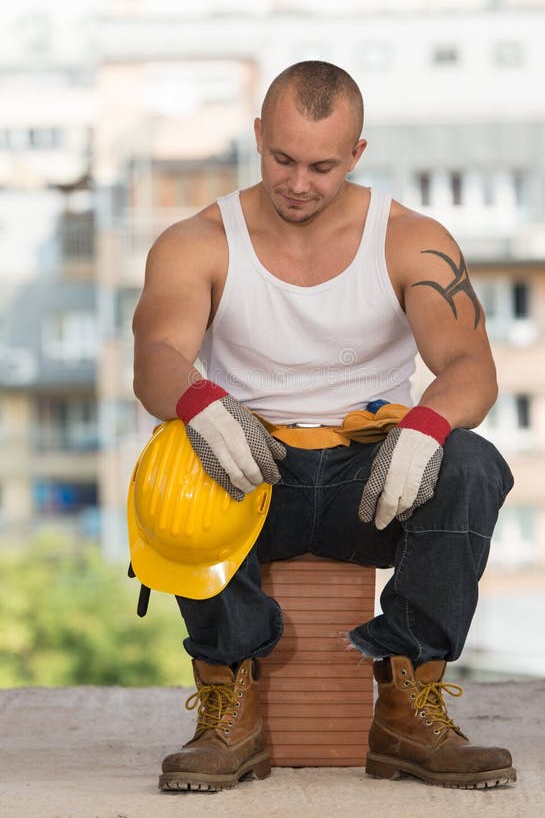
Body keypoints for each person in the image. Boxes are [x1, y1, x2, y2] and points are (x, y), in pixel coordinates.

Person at [132, 60, 516, 792]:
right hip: (248, 470)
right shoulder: (196, 239)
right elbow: (155, 359)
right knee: (171, 457)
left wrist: (428, 425)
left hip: (372, 479)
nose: (297, 183)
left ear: (357, 155)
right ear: (256, 137)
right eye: (281, 159)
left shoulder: (411, 238)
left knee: (471, 463)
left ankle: (407, 704)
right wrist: (198, 402)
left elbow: (472, 365)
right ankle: (229, 706)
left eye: (321, 165)